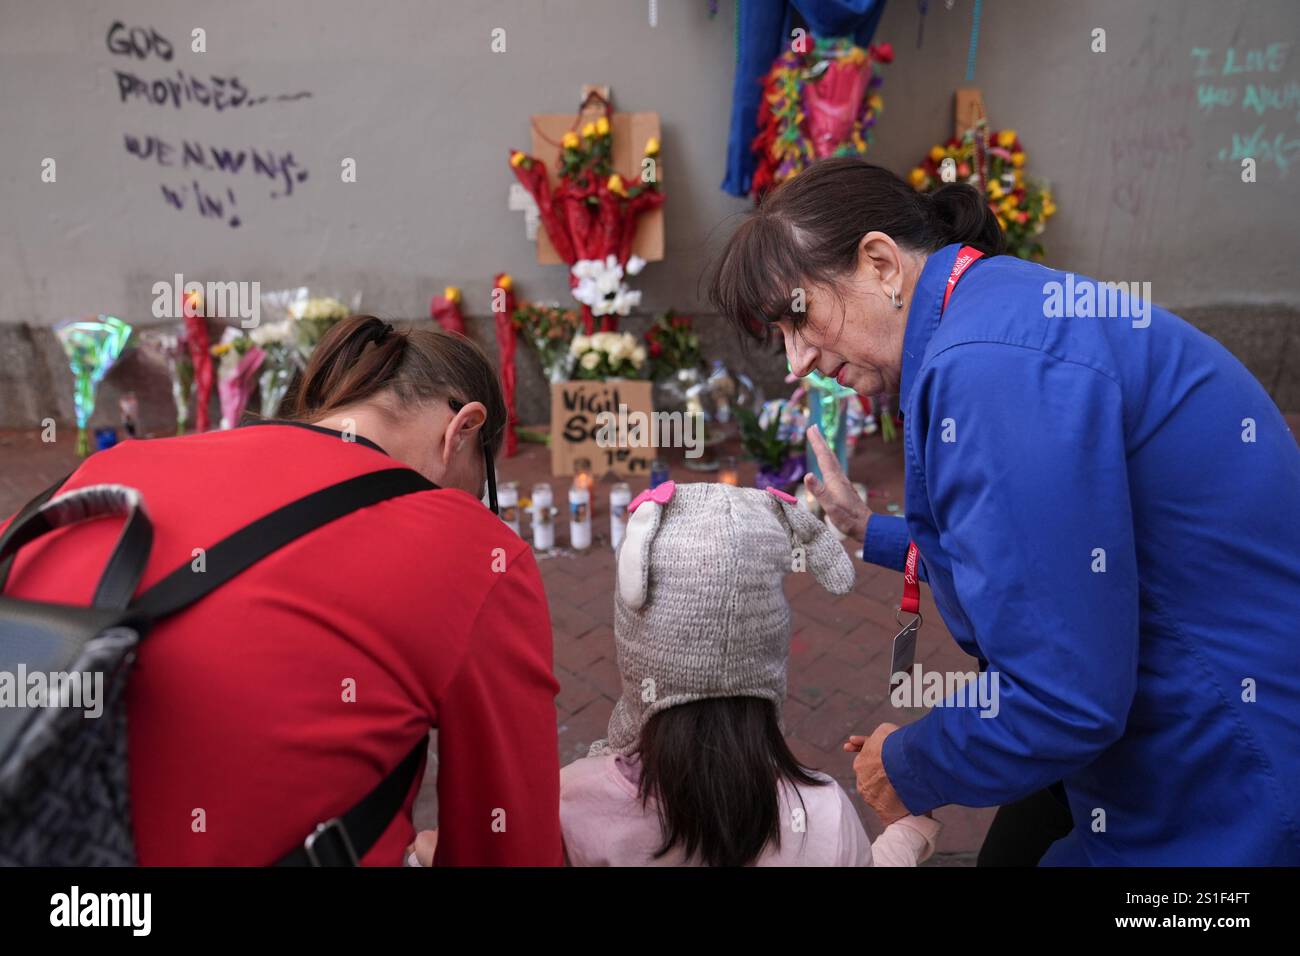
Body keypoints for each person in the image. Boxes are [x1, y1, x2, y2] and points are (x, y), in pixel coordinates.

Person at [708, 156, 1300, 865]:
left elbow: (1062, 698)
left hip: (1220, 777)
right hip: (1178, 716)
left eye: (798, 318)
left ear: (880, 263)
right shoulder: (990, 308)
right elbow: (1046, 558)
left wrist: (905, 766)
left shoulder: (986, 368)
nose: (795, 360)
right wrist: (872, 531)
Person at [1, 315, 562, 866]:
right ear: (463, 428)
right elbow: (511, 842)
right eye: (484, 477)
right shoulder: (469, 547)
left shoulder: (109, 468)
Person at [559, 480, 941, 866]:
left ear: (635, 651)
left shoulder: (572, 803)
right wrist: (908, 833)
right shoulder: (822, 815)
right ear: (768, 655)